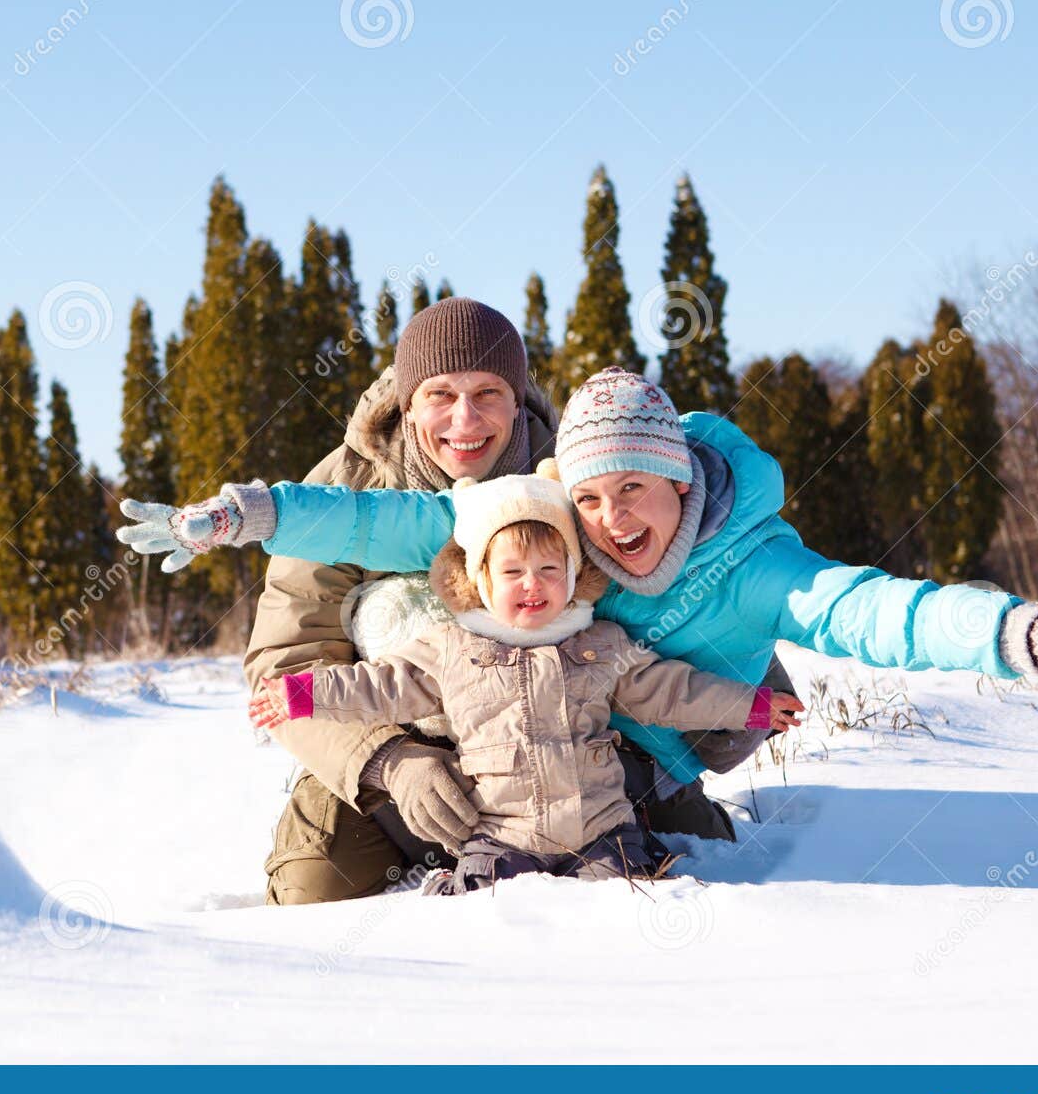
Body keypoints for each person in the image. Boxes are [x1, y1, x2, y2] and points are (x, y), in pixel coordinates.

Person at [123, 365, 1038, 795]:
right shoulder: (554, 527)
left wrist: (1020, 637)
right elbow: (389, 520)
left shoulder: (763, 564)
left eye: (636, 490)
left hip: (649, 771)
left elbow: (878, 610)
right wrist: (252, 512)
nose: (613, 521)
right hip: (530, 750)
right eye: (591, 499)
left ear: (682, 482)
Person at [119, 307, 768, 903]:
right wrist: (385, 760)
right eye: (441, 396)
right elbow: (285, 667)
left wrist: (747, 669)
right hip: (394, 752)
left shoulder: (574, 478)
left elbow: (664, 582)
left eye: (488, 394)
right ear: (407, 405)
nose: (466, 421)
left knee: (694, 864)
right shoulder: (343, 495)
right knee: (312, 893)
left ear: (517, 401)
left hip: (566, 741)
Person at [247, 463, 803, 894]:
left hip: (603, 835)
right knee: (491, 924)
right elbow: (378, 686)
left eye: (548, 570)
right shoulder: (451, 649)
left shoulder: (600, 644)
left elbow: (674, 692)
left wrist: (752, 707)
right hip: (497, 840)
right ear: (479, 578)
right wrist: (299, 694)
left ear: (572, 574)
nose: (531, 585)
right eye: (512, 572)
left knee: (624, 912)